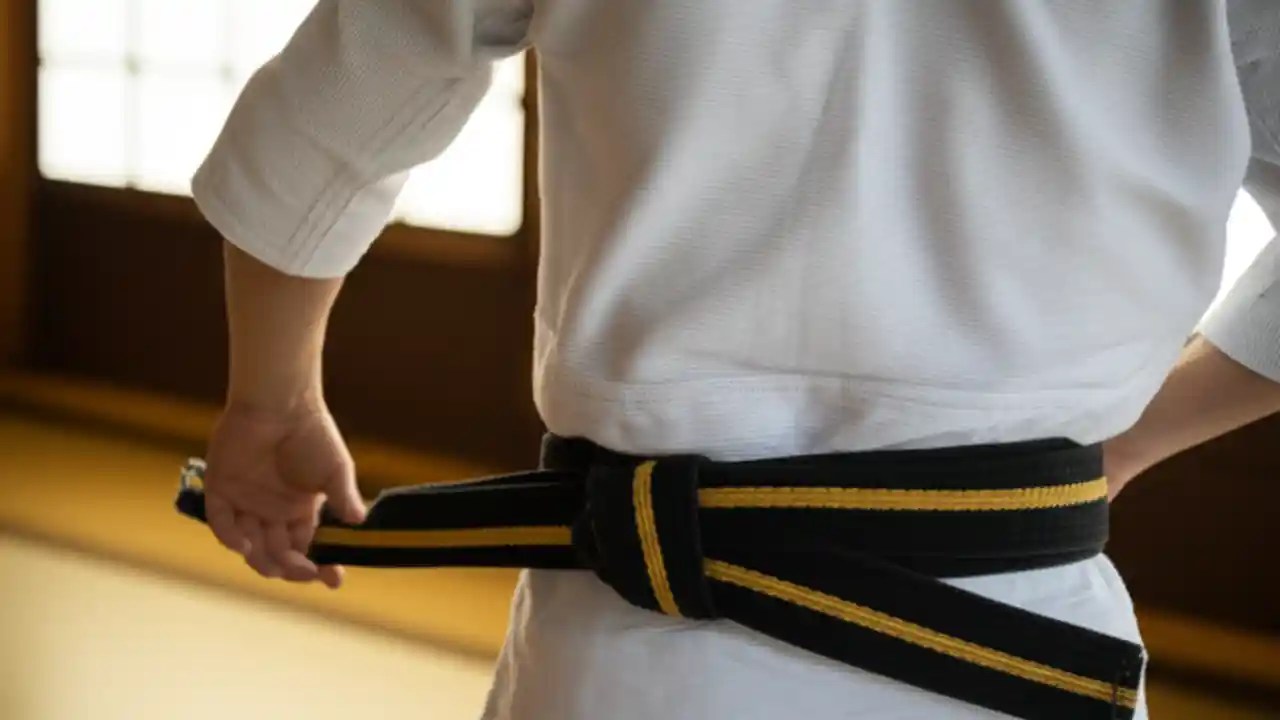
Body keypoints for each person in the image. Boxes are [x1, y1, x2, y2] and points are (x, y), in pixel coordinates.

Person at [190, 2, 1280, 718]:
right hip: (1022, 638)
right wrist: (1117, 447)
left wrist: (271, 396)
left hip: (631, 659)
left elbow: (340, 100)